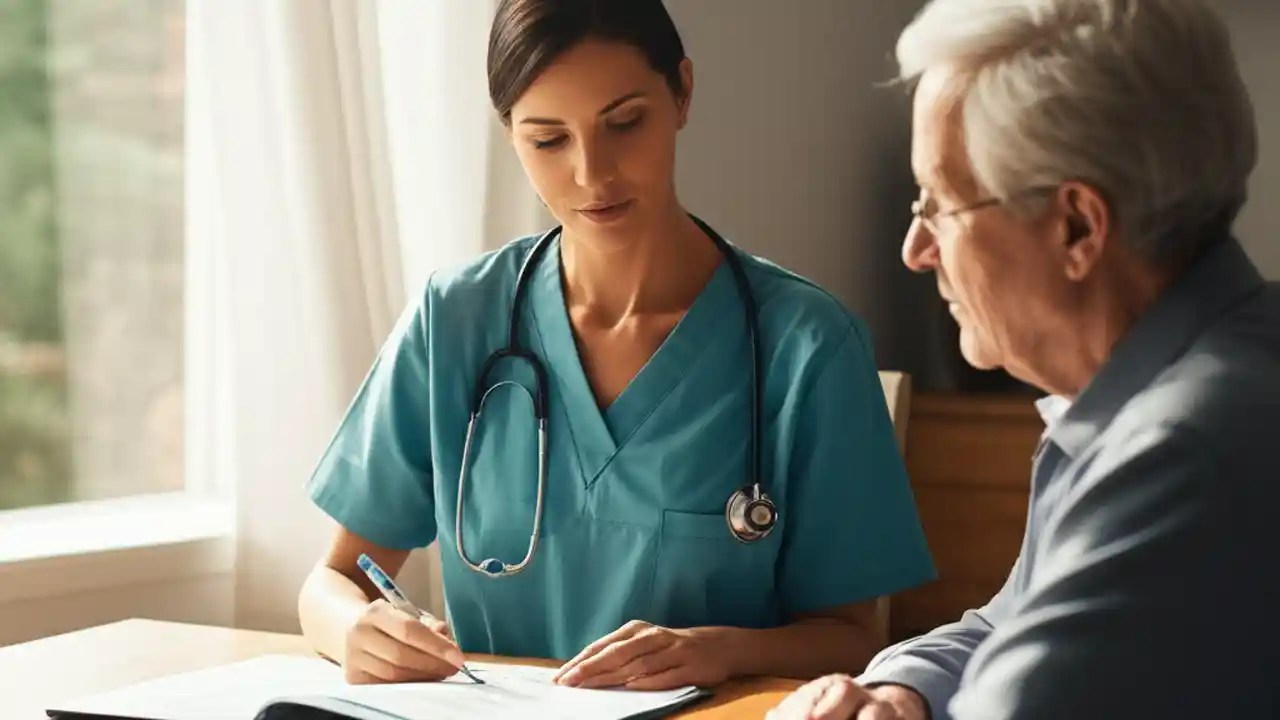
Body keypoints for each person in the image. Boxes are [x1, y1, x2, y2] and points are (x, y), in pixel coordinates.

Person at [297, 0, 934, 691]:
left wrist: (716, 652)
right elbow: (334, 581)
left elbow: (852, 636)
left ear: (682, 93)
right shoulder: (454, 320)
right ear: (509, 133)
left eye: (624, 122)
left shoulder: (807, 346)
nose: (592, 174)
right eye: (548, 140)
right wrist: (358, 631)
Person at [768, 0, 1280, 718]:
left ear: (1076, 226)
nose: (915, 250)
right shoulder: (1148, 385)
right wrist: (899, 693)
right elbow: (1010, 623)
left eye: (941, 203)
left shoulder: (1179, 454)